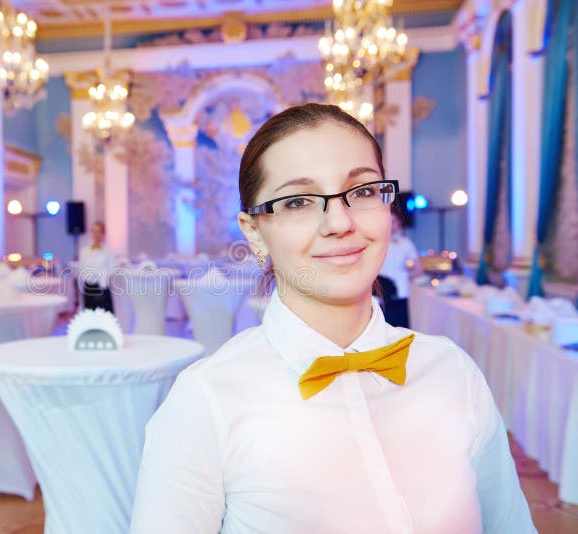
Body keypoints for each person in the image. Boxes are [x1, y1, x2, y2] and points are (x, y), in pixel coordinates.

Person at [130, 103, 535, 533]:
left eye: (361, 192)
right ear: (254, 232)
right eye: (299, 201)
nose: (339, 222)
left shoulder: (452, 372)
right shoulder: (205, 402)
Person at [378, 206, 423, 327]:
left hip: (400, 293)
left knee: (401, 329)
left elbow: (419, 269)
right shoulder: (376, 242)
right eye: (388, 222)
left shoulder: (405, 243)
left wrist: (407, 272)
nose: (392, 226)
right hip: (380, 294)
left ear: (398, 223)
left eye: (394, 222)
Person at [78, 220, 115, 312]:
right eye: (93, 231)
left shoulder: (109, 251)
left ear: (103, 233)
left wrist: (102, 278)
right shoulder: (84, 251)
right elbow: (82, 269)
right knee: (90, 317)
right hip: (88, 288)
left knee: (104, 316)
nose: (96, 234)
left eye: (98, 231)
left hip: (102, 287)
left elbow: (112, 268)